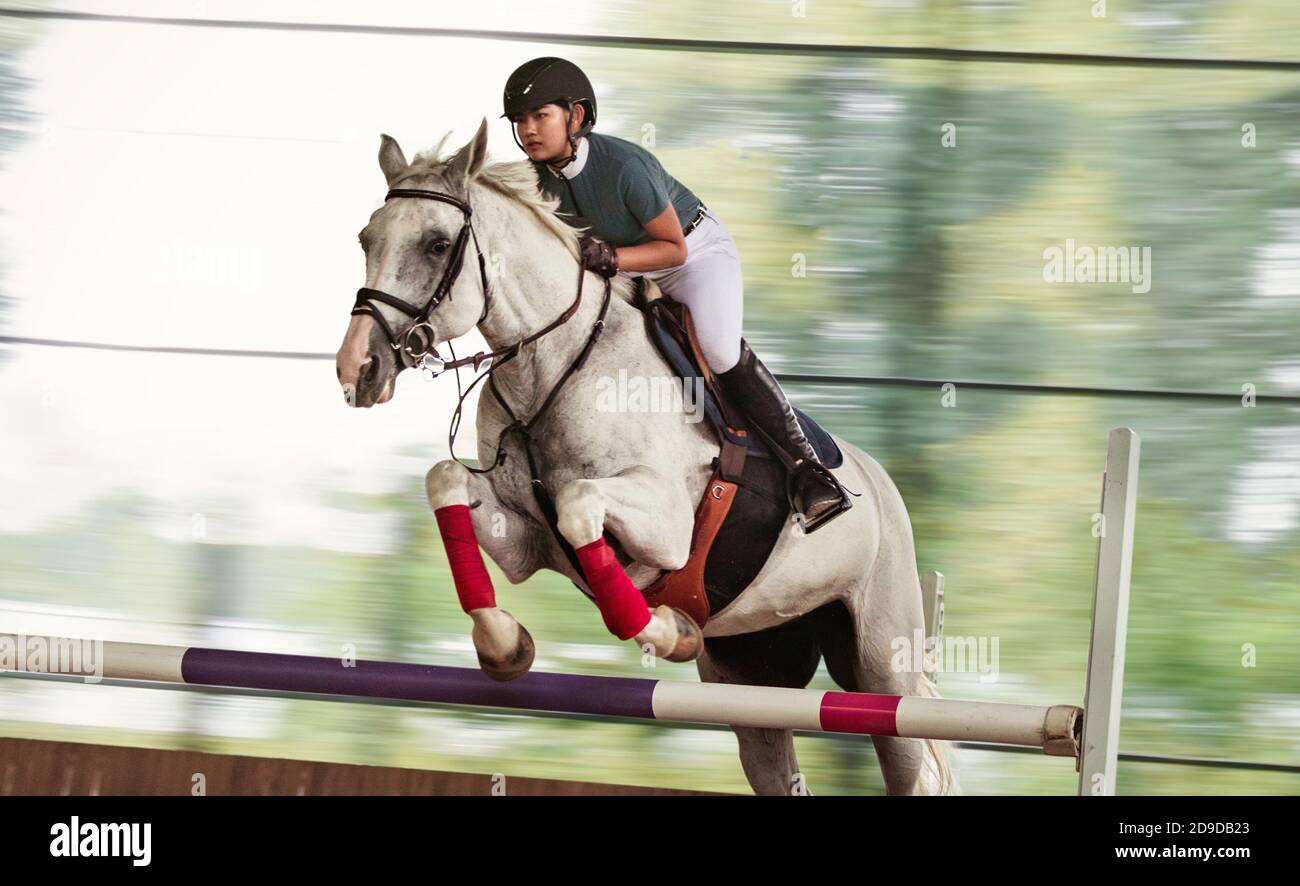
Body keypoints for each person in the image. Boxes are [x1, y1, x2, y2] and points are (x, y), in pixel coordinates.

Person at [501, 56, 852, 534]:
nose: (528, 130)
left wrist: (615, 260)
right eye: (520, 120)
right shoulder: (537, 177)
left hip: (692, 256)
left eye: (540, 116)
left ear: (576, 117)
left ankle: (810, 472)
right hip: (621, 266)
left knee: (718, 350)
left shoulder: (624, 166)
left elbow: (672, 248)